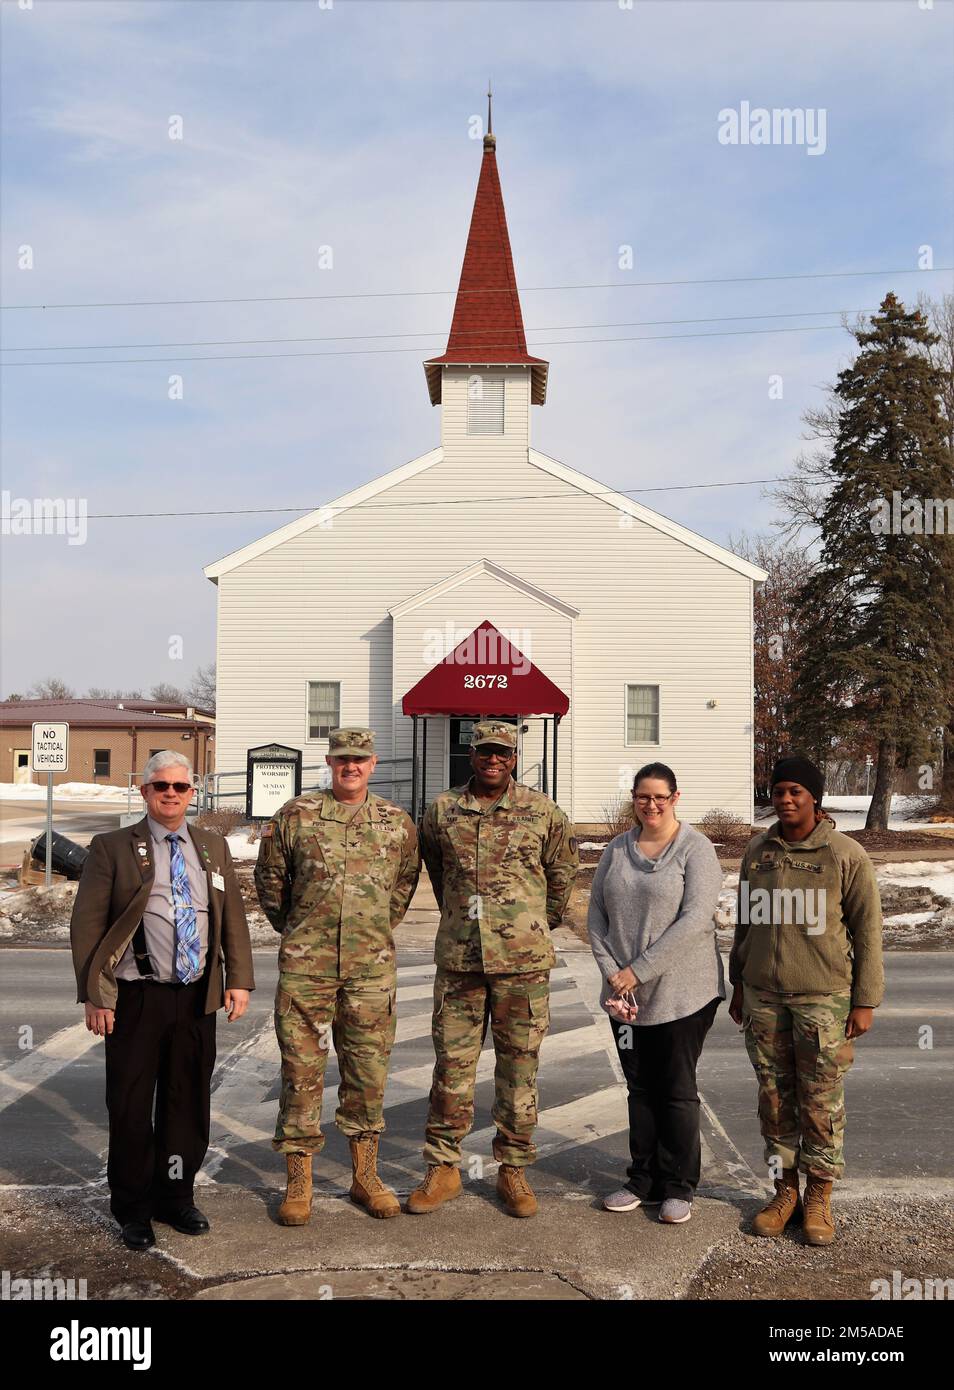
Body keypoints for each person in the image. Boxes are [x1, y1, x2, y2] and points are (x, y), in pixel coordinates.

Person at [70, 751, 253, 1251]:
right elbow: (87, 926)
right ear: (145, 792)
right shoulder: (113, 847)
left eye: (180, 786)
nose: (170, 793)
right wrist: (95, 996)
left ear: (192, 794)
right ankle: (133, 1208)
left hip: (196, 997)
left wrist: (238, 979)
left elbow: (230, 917)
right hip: (136, 997)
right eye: (160, 786)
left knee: (186, 1101)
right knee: (130, 1106)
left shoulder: (212, 846)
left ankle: (176, 1197)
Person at [407, 720, 579, 1218]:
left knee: (519, 1068)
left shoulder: (543, 812)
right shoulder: (442, 810)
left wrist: (531, 923)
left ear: (514, 755)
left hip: (522, 964)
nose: (493, 759)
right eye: (484, 751)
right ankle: (443, 1167)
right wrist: (462, 916)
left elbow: (561, 874)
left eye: (502, 752)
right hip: (460, 962)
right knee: (451, 1068)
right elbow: (437, 872)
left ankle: (514, 1169)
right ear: (471, 753)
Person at [254, 727, 420, 1225]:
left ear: (373, 764)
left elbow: (403, 885)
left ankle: (365, 1176)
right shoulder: (296, 816)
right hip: (308, 967)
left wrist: (371, 929)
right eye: (343, 758)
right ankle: (299, 1181)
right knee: (301, 1072)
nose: (351, 766)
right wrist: (302, 930)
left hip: (371, 968)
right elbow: (270, 882)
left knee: (367, 1074)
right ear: (330, 761)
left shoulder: (395, 822)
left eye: (361, 759)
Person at [729, 755, 884, 1245]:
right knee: (774, 1102)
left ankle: (819, 1196)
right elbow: (745, 923)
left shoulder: (845, 854)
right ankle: (784, 1190)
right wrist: (738, 983)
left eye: (796, 791)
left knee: (820, 1104)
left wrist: (865, 1001)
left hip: (823, 999)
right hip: (763, 997)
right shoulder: (758, 850)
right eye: (779, 791)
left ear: (815, 798)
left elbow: (869, 933)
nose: (786, 799)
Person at [588, 762, 724, 1225]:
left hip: (683, 994)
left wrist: (637, 971)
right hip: (624, 997)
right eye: (643, 797)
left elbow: (695, 921)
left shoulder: (695, 849)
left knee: (676, 1090)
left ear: (675, 798)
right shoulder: (617, 849)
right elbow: (596, 915)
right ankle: (641, 1179)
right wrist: (614, 975)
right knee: (640, 1088)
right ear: (634, 798)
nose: (651, 805)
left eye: (659, 797)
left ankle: (679, 1185)